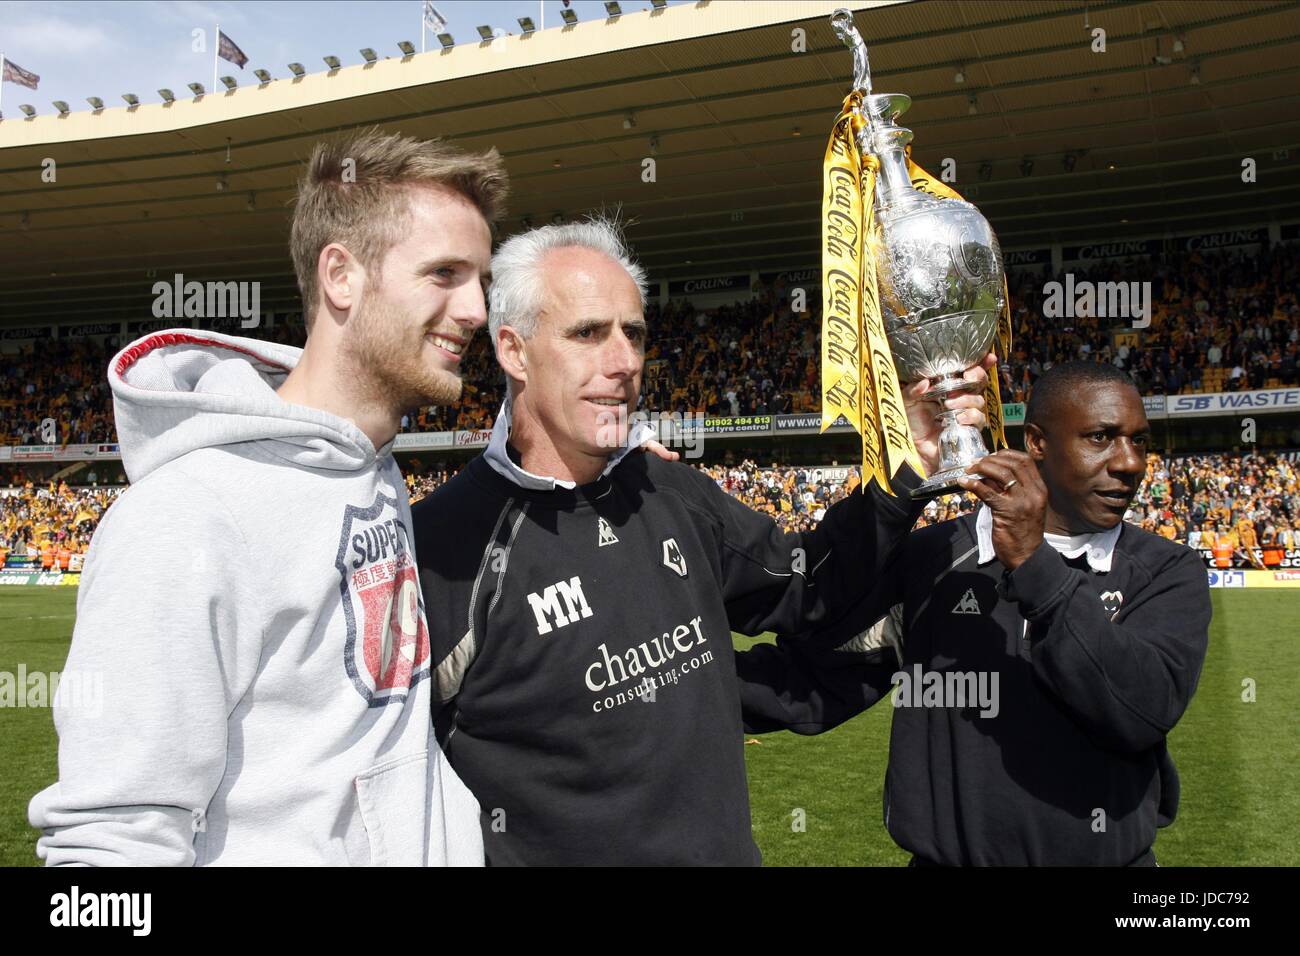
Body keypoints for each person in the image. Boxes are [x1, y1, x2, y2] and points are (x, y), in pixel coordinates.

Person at [411, 216, 994, 865]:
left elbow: (807, 587)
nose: (624, 361)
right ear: (514, 350)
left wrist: (904, 469)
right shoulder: (439, 552)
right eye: (588, 333)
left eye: (633, 333)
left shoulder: (668, 491)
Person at [29, 129, 507, 866]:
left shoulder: (371, 469)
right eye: (444, 273)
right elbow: (109, 847)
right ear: (341, 277)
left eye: (480, 278)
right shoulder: (187, 516)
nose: (476, 309)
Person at [736, 361, 1211, 866]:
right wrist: (663, 689)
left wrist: (1035, 567)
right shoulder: (935, 558)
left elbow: (1140, 710)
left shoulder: (1167, 569)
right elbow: (814, 680)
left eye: (1139, 441)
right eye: (1101, 437)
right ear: (1037, 443)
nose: (1130, 462)